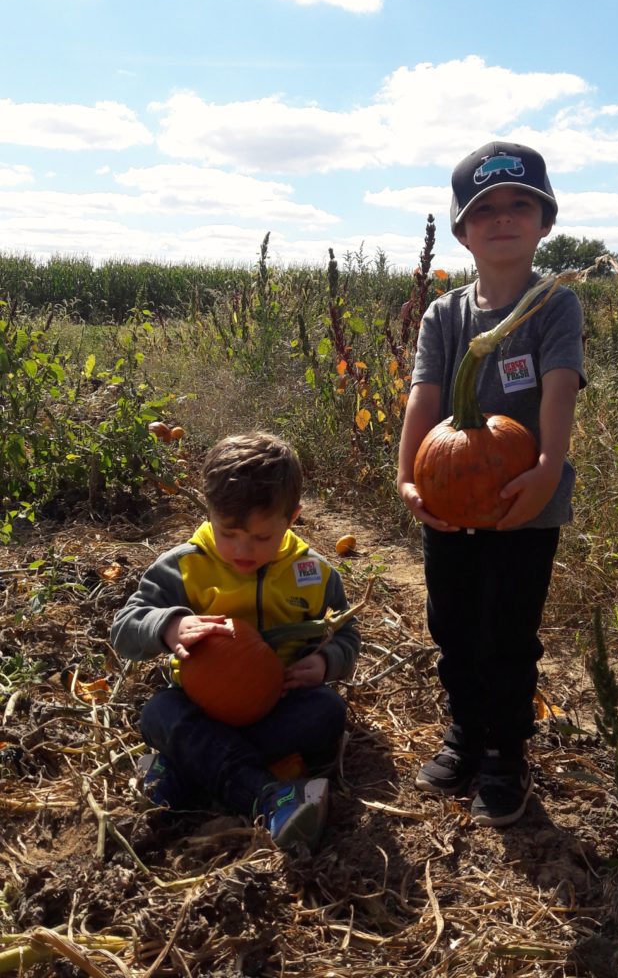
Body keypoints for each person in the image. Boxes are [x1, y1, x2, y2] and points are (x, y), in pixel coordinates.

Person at [398, 141, 586, 827]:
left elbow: (561, 388)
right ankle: (465, 734)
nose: (503, 219)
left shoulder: (554, 305)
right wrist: (407, 476)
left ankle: (507, 751)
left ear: (543, 221)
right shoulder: (445, 316)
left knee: (509, 633)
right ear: (462, 228)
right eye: (486, 209)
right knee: (453, 625)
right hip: (448, 502)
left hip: (525, 508)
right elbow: (424, 397)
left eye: (519, 205)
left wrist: (546, 468)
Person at [111, 431, 360, 850]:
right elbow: (124, 628)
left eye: (263, 537)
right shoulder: (184, 566)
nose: (244, 549)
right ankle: (268, 795)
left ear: (293, 517)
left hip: (276, 707)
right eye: (229, 533)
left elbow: (348, 633)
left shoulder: (313, 573)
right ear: (209, 512)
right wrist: (168, 626)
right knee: (159, 713)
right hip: (201, 706)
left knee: (328, 711)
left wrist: (326, 662)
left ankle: (185, 772)